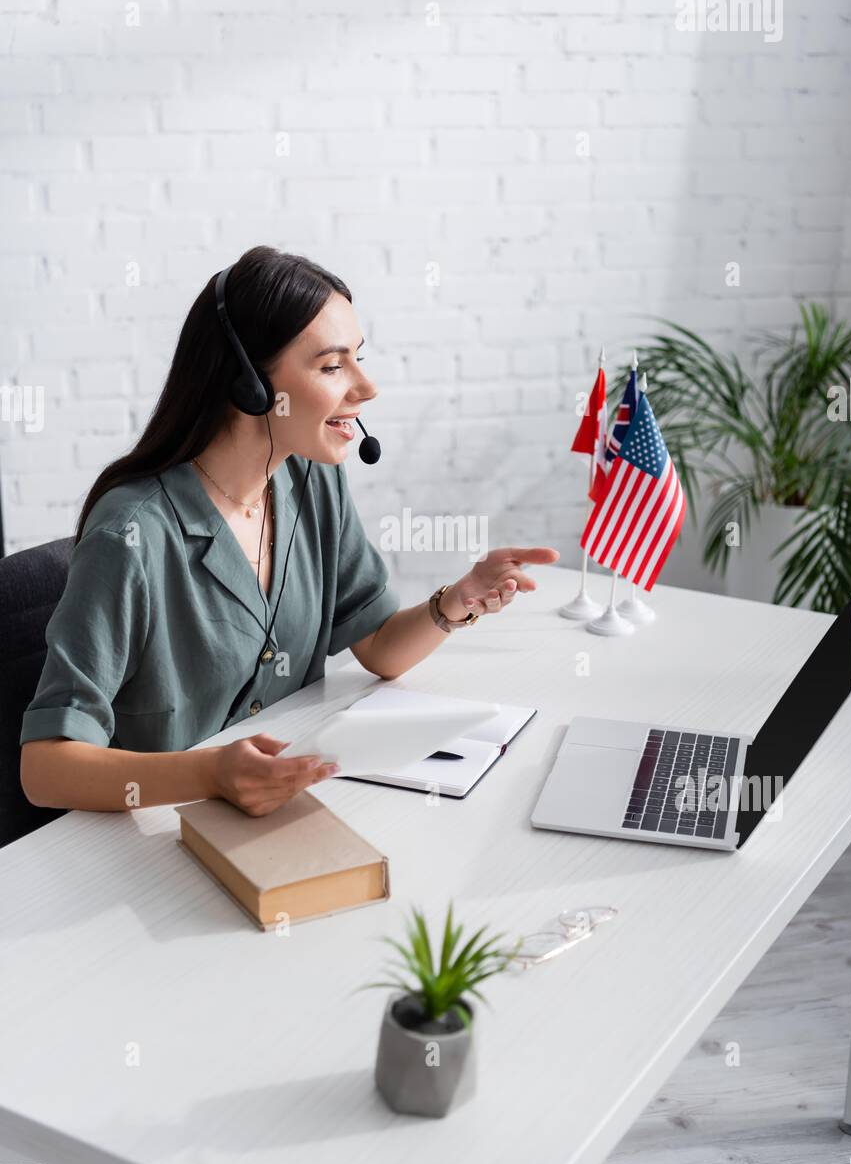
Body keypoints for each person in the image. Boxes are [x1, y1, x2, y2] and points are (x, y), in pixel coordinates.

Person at [20, 246, 559, 818]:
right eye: (332, 366)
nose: (366, 387)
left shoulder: (311, 483)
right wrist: (212, 773)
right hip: (159, 833)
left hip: (288, 809)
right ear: (250, 385)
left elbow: (377, 646)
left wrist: (456, 603)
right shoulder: (132, 534)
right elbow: (46, 768)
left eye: (358, 358)